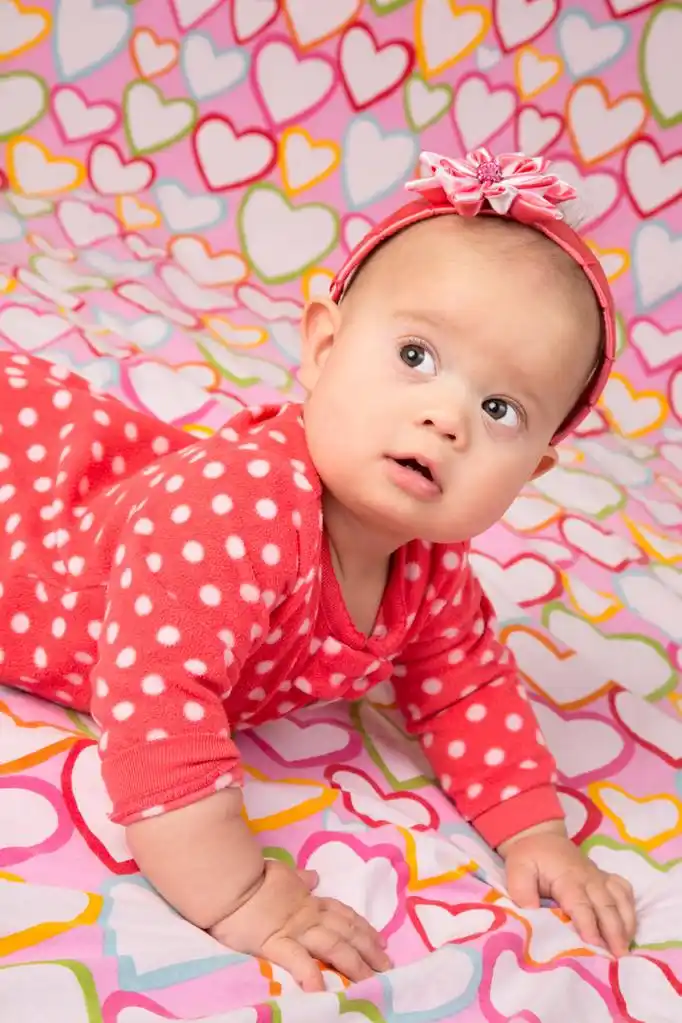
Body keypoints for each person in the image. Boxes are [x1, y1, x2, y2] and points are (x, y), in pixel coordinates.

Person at [0, 148, 635, 992]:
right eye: (416, 355)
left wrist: (534, 832)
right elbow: (157, 710)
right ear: (324, 346)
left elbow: (464, 686)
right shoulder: (237, 511)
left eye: (500, 408)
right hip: (31, 523)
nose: (447, 417)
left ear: (534, 472)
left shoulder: (430, 567)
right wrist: (247, 897)